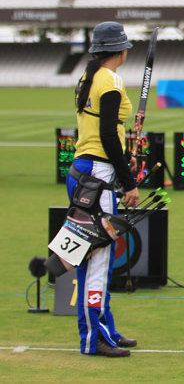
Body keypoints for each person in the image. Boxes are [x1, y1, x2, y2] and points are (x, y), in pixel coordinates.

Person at [67, 21, 141, 357]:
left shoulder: (89, 77)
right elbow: (109, 136)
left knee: (98, 255)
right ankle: (92, 339)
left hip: (85, 169)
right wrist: (128, 181)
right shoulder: (109, 80)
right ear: (120, 50)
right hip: (98, 173)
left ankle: (105, 329)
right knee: (97, 258)